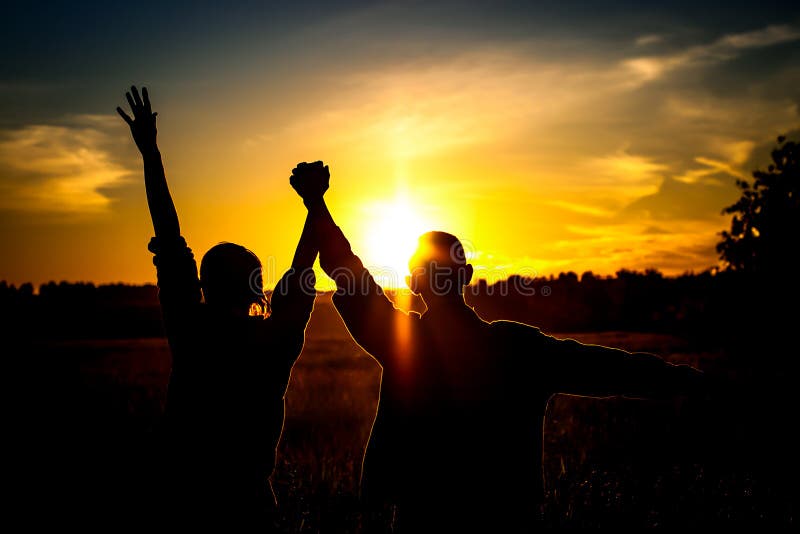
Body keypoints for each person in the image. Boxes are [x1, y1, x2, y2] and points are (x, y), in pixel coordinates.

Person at [290, 161, 704, 532]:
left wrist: (316, 202)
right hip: (505, 528)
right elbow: (615, 369)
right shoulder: (519, 347)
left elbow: (347, 271)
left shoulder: (403, 342)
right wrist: (694, 382)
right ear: (466, 275)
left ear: (412, 284)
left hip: (423, 526)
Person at [117, 87, 319, 526]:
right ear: (258, 291)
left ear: (203, 285)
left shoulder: (190, 328)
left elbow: (168, 237)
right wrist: (314, 204)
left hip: (180, 498)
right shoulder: (272, 341)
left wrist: (151, 154)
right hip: (248, 505)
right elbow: (302, 274)